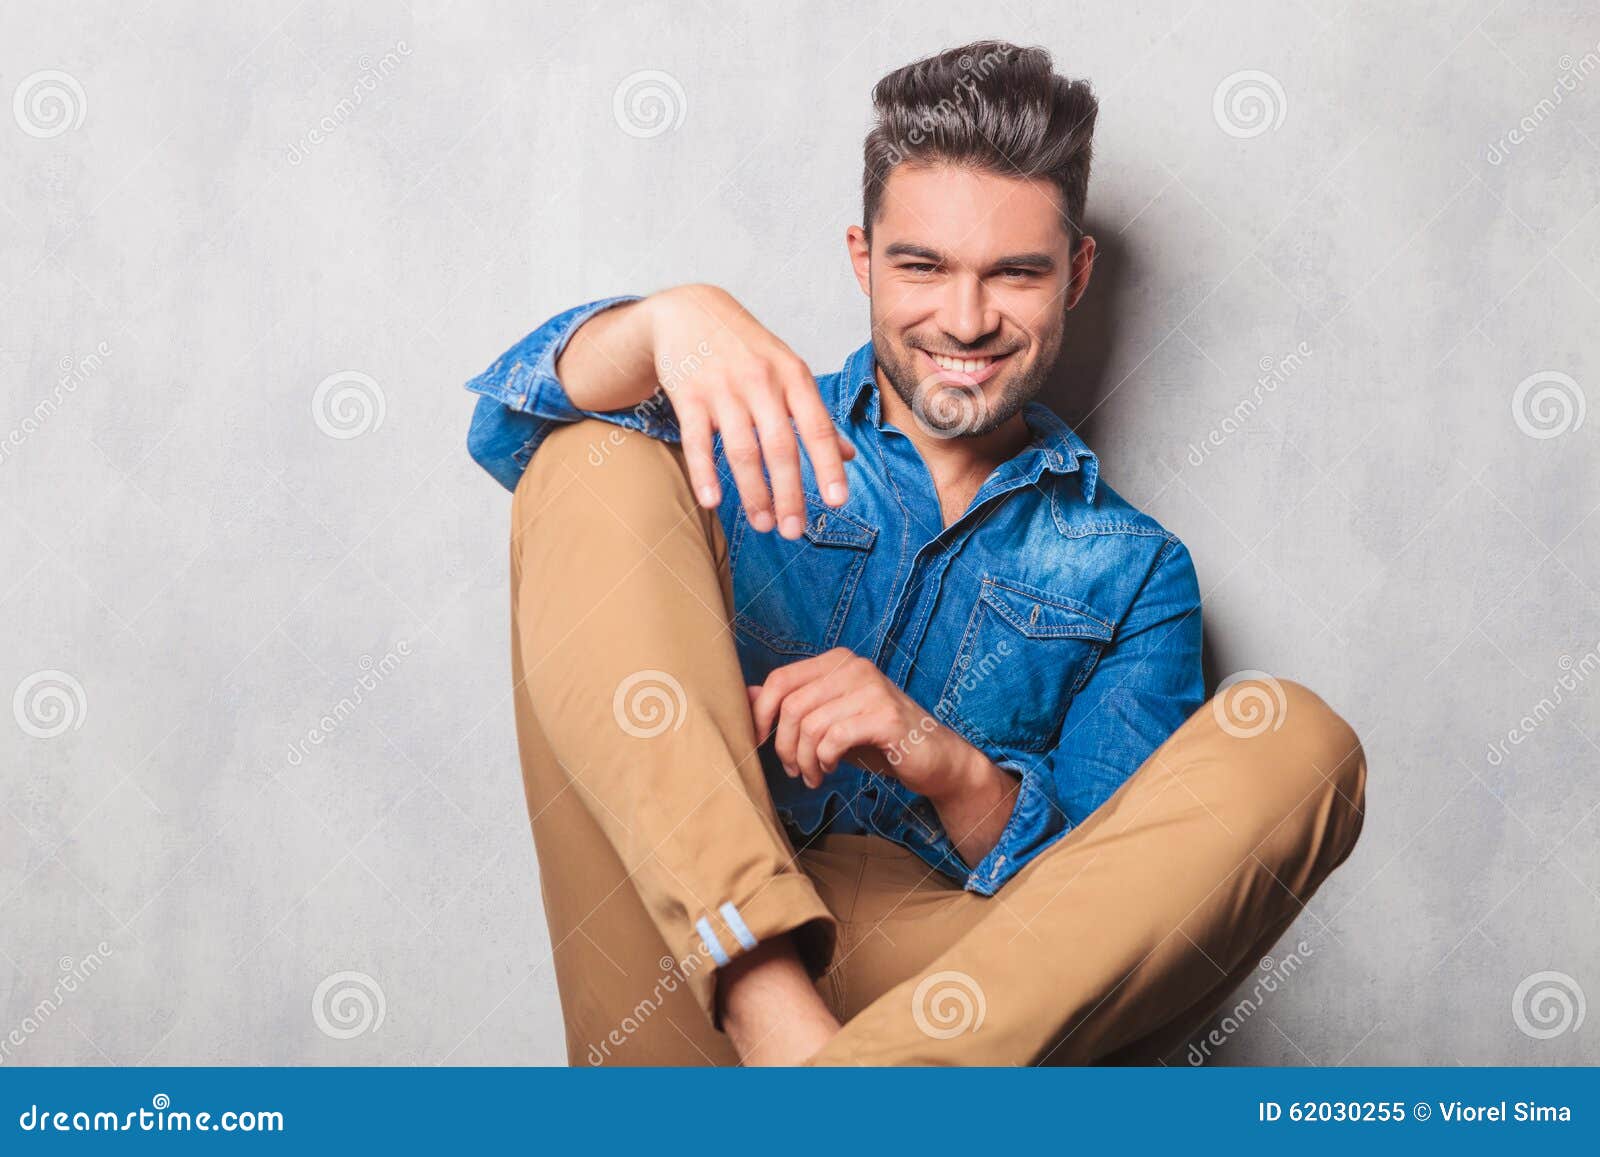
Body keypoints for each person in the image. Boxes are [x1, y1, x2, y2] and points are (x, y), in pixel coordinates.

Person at [464, 40, 1366, 1066]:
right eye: (922, 266)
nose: (967, 319)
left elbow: (1106, 900)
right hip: (684, 965)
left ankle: (849, 1092)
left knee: (1296, 741)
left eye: (1014, 273)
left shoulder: (1133, 571)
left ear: (1073, 274)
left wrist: (947, 764)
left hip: (948, 1010)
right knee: (588, 451)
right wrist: (666, 318)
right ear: (863, 259)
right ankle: (776, 1010)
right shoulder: (726, 429)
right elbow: (510, 433)